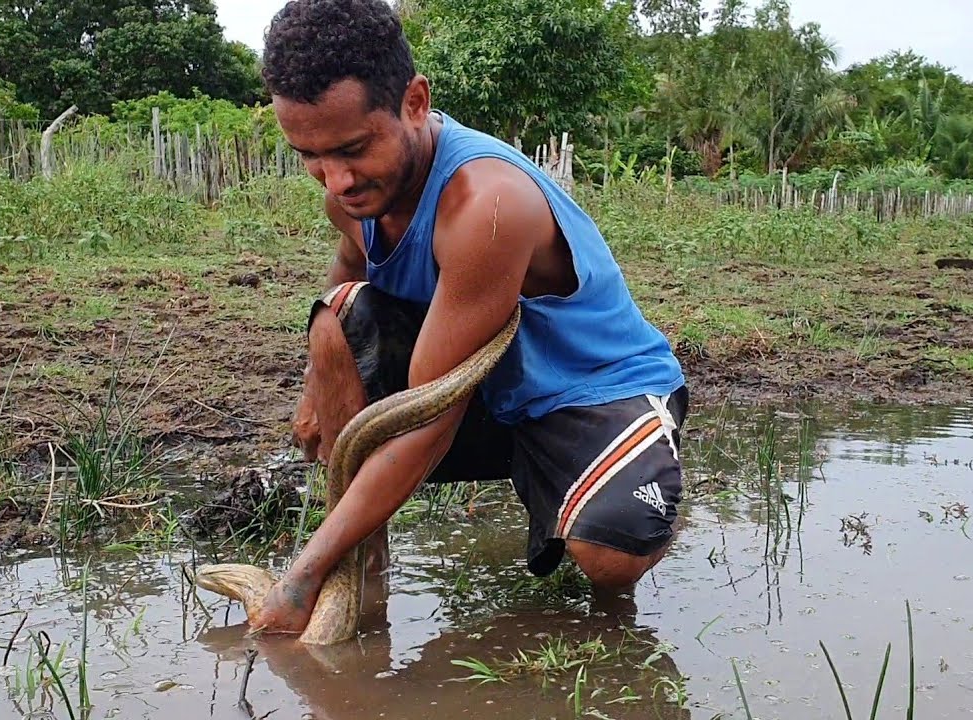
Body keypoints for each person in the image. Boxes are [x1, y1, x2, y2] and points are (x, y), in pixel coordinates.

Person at [251, 0, 690, 634]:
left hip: (588, 389)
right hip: (485, 389)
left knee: (609, 559)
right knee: (335, 318)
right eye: (309, 155)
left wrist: (300, 573)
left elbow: (428, 414)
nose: (336, 180)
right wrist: (315, 389)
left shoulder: (487, 205)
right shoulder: (350, 197)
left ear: (415, 102)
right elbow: (349, 273)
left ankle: (631, 481)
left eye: (353, 149)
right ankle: (362, 572)